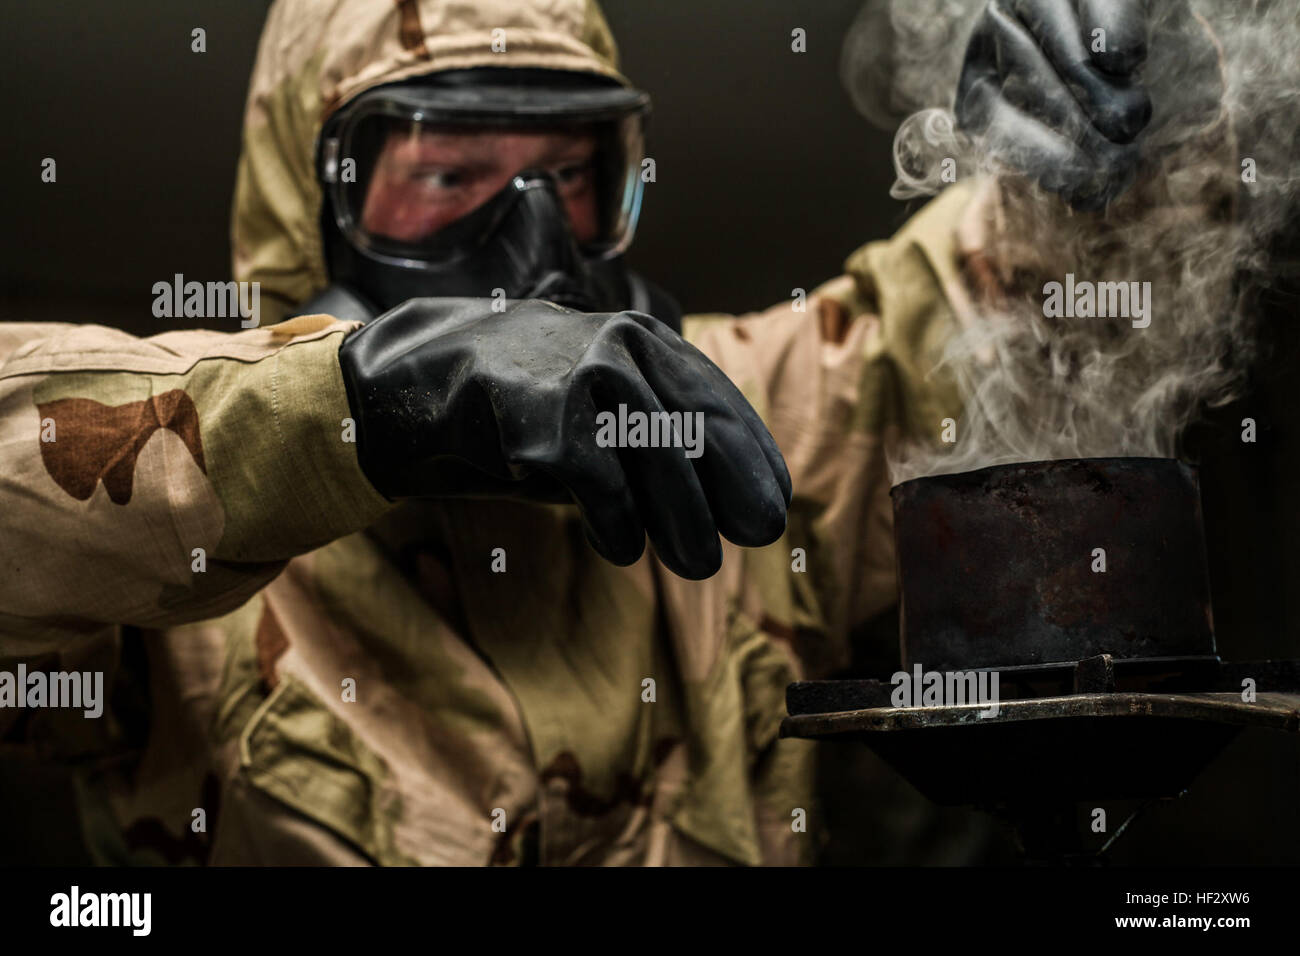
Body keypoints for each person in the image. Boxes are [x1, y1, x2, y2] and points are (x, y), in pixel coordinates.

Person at [0, 0, 1164, 865]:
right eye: (449, 174)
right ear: (307, 217)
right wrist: (351, 404)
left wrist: (1108, 128)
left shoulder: (727, 423)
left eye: (569, 176)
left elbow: (996, 298)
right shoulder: (176, 540)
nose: (533, 250)